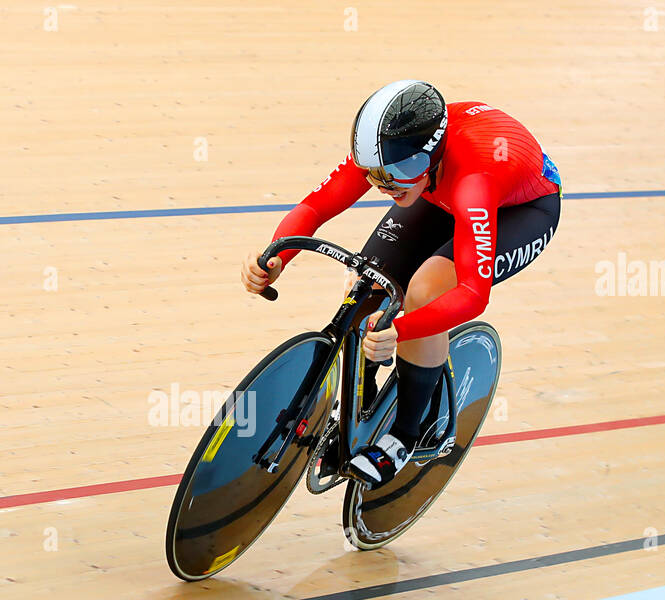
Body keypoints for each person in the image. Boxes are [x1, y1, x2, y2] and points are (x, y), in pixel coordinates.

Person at [240, 80, 562, 487]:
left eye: (399, 173)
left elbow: (472, 295)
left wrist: (402, 328)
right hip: (437, 191)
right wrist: (276, 257)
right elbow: (316, 205)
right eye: (374, 174)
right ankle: (363, 404)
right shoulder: (392, 154)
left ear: (432, 154)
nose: (386, 184)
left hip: (520, 208)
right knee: (366, 282)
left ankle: (407, 432)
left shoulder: (472, 181)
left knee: (426, 290)